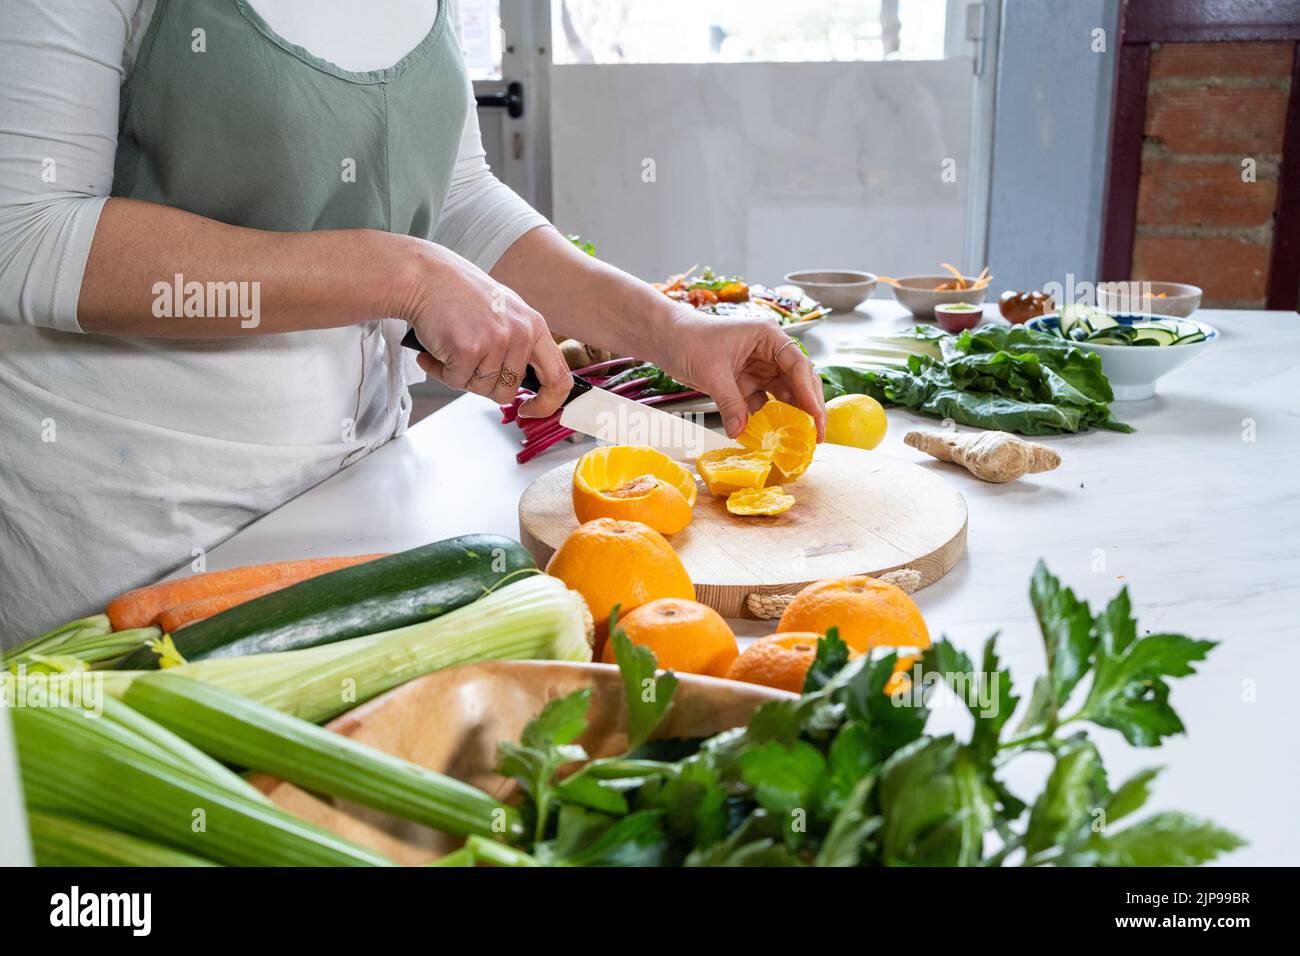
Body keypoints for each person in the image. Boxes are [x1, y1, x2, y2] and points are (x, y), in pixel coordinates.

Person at [0, 0, 826, 644]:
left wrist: (670, 329)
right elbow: (23, 233)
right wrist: (403, 274)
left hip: (357, 490)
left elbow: (457, 198)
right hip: (136, 525)